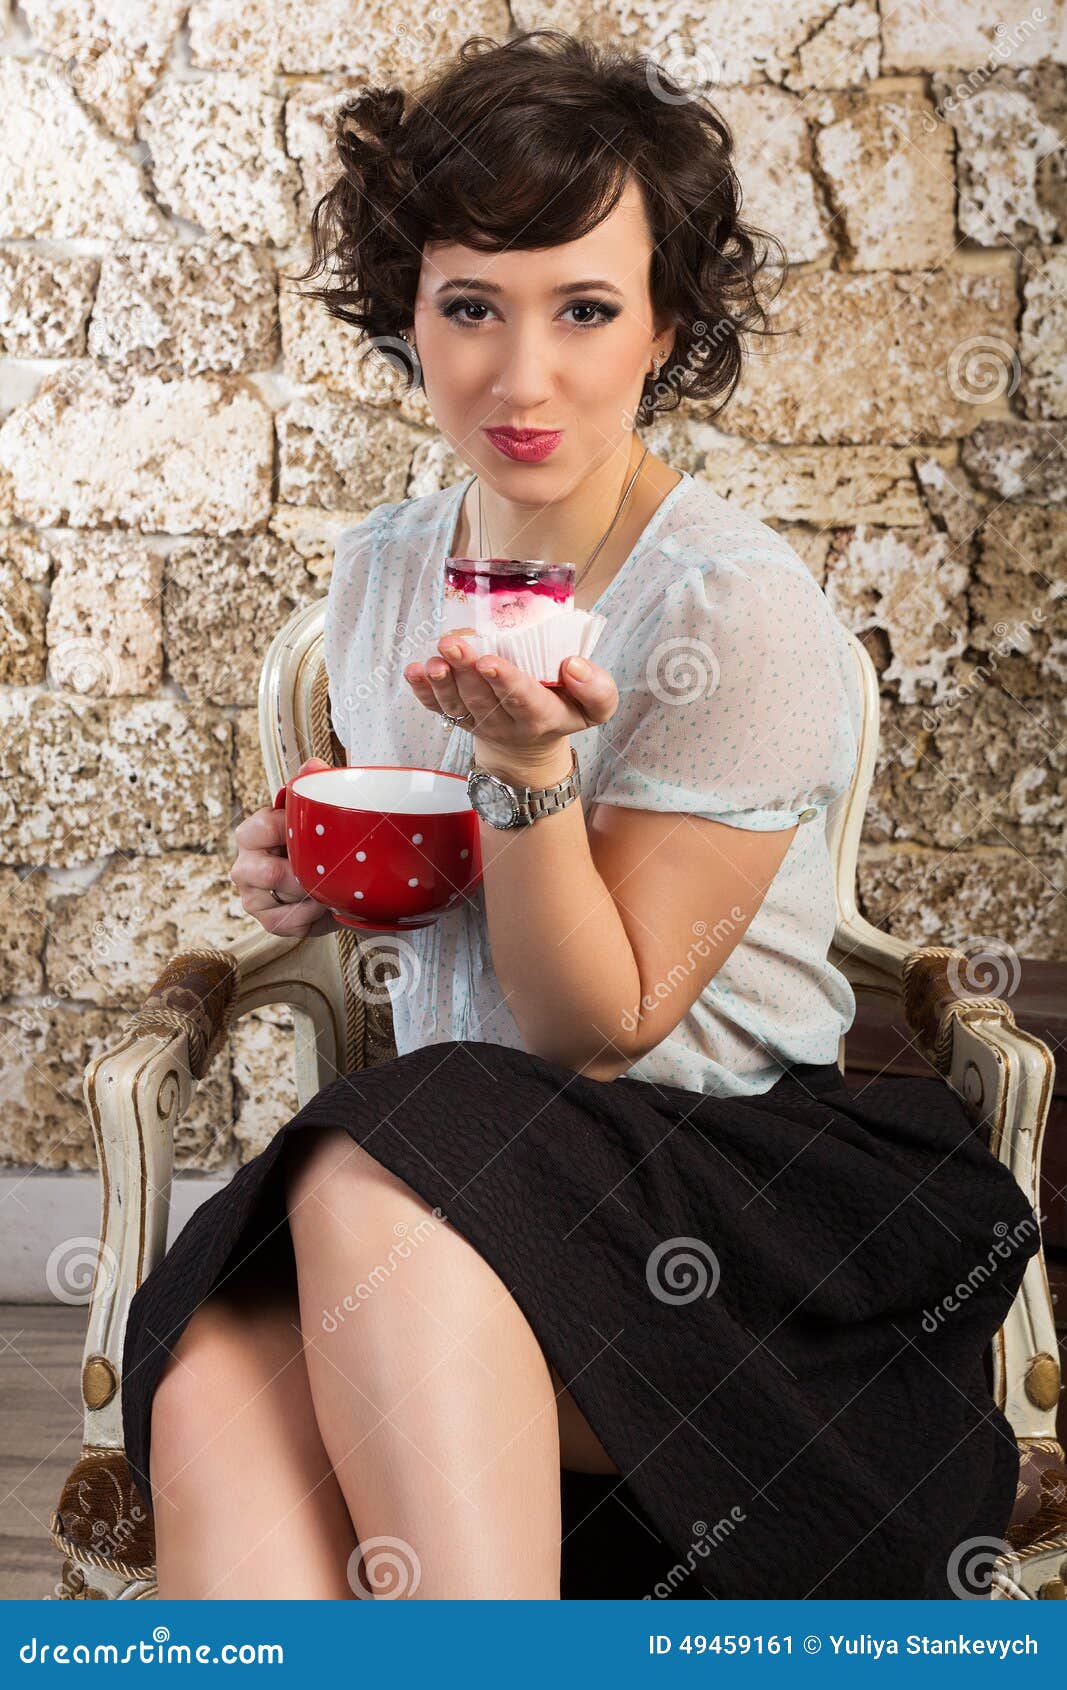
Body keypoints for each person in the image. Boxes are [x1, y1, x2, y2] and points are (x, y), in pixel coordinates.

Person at [119, 29, 1040, 1601]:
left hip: (727, 1208)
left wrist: (533, 773)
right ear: (406, 314)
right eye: (470, 305)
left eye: (585, 309)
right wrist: (333, 878)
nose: (520, 374)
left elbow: (592, 1029)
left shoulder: (734, 611)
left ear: (663, 327)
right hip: (457, 1180)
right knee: (217, 1378)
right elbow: (458, 915)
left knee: (363, 1176)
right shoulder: (381, 573)